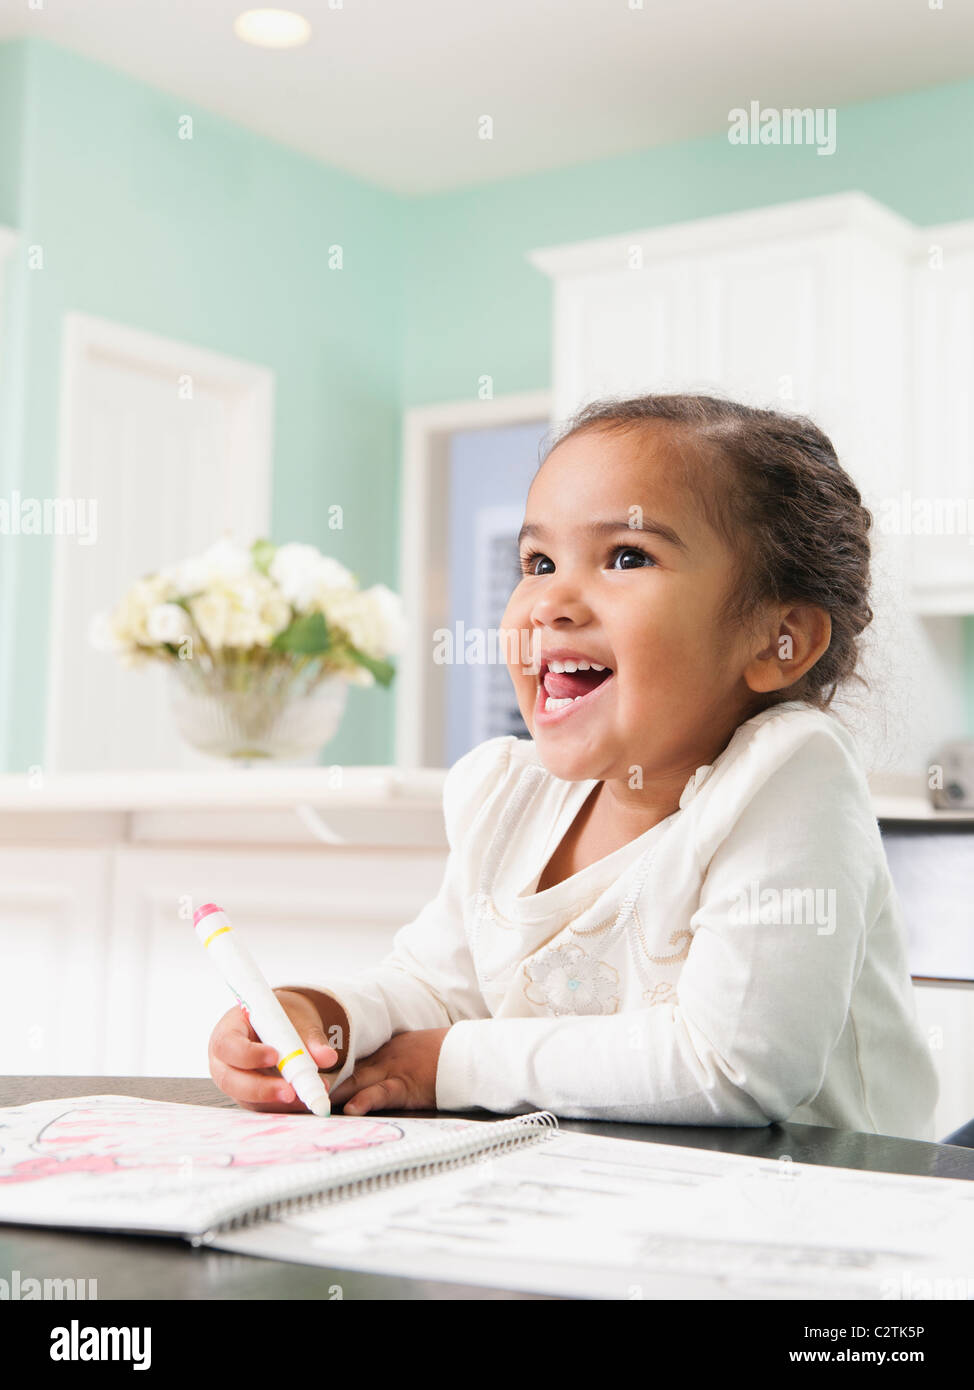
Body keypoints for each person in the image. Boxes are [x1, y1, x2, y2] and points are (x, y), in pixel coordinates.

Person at [208, 393, 939, 1140]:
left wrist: (446, 1064)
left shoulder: (789, 777)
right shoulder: (507, 797)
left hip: (828, 1218)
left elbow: (735, 1065)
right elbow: (435, 986)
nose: (551, 600)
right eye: (537, 561)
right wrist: (326, 1017)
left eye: (627, 557)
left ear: (776, 638)